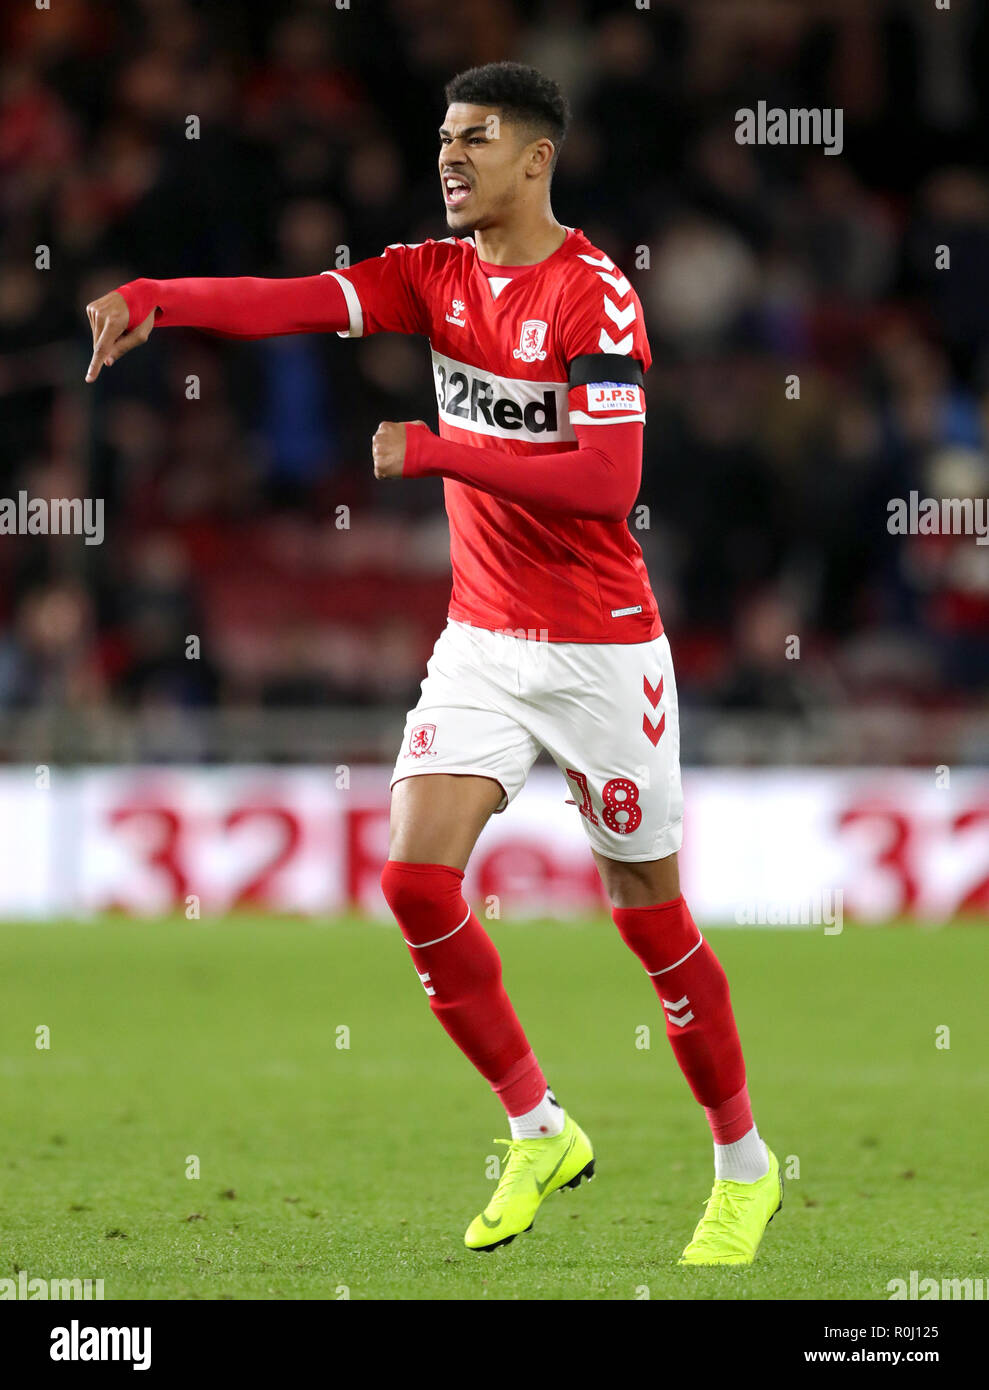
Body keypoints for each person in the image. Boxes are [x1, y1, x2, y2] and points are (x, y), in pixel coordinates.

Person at [85, 61, 782, 1264]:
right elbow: (292, 301)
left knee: (650, 919)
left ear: (536, 158)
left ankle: (741, 1164)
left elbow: (607, 482)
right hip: (482, 640)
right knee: (413, 886)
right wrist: (162, 293)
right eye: (443, 138)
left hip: (602, 653)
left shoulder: (595, 299)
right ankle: (537, 1125)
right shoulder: (432, 275)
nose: (450, 157)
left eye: (477, 138)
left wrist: (442, 450)